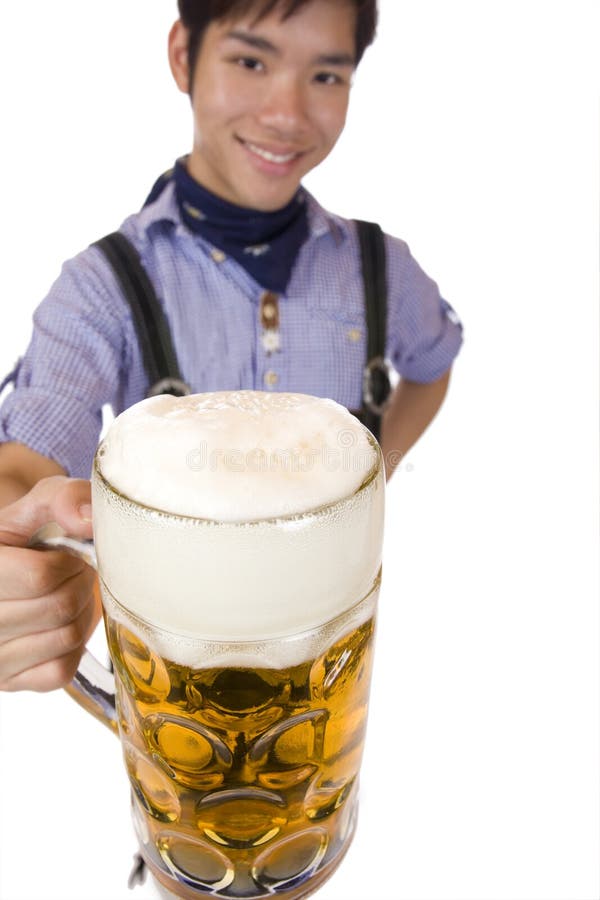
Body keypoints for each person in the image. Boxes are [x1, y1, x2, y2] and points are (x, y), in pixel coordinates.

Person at [0, 0, 462, 694]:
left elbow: (431, 366)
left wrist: (376, 478)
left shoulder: (382, 267)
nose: (288, 115)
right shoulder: (103, 289)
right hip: (182, 689)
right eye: (251, 61)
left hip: (330, 667)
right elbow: (26, 468)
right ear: (184, 53)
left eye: (327, 77)